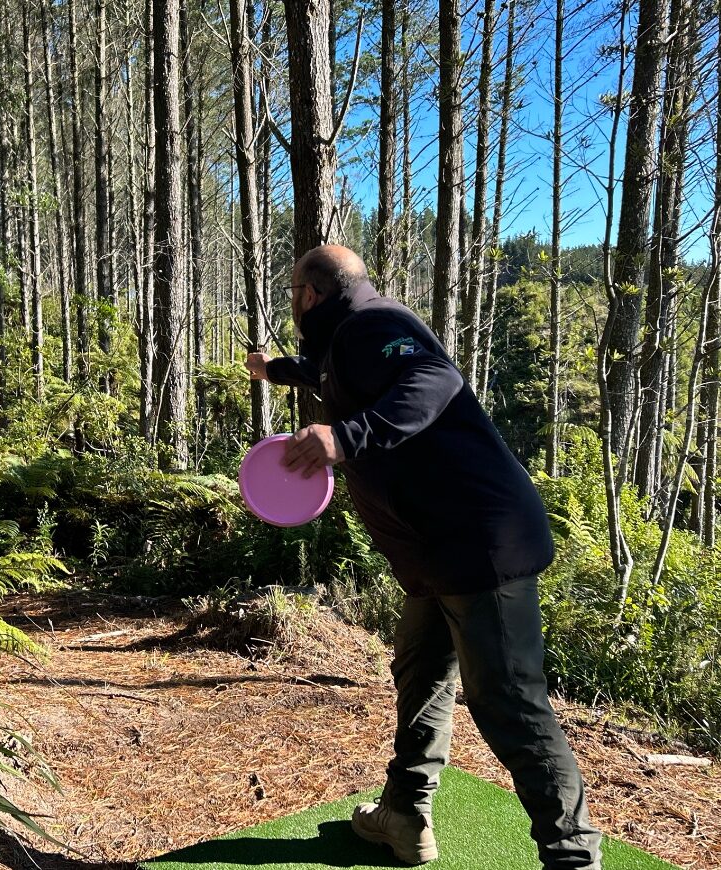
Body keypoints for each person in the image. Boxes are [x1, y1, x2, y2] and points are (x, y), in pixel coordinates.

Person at [244, 245, 602, 869]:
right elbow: (330, 374)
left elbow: (432, 379)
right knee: (420, 672)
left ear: (309, 297)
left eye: (294, 297)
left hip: (478, 547)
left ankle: (574, 859)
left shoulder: (378, 323)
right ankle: (405, 815)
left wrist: (344, 435)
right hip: (434, 554)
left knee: (509, 701)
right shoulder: (345, 341)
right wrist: (277, 370)